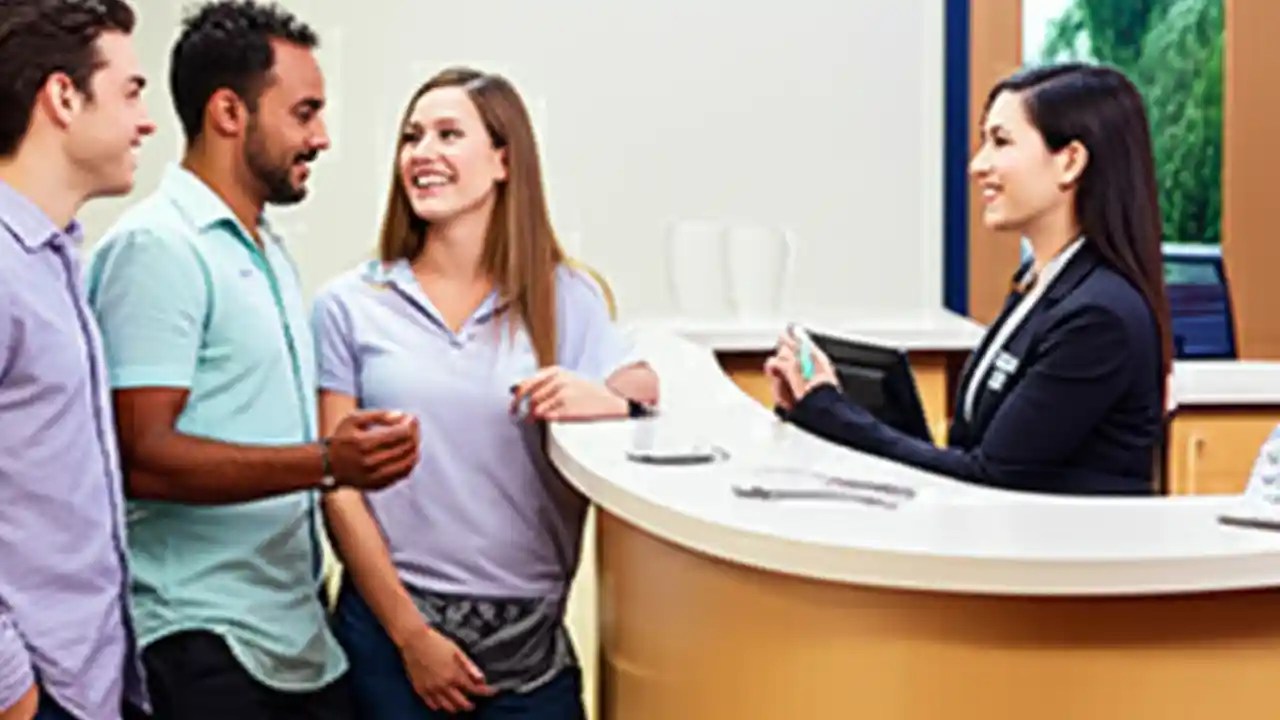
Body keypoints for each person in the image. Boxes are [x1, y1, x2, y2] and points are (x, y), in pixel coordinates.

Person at [84, 3, 419, 719]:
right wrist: (329, 462)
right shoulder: (159, 250)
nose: (321, 136)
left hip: (294, 637)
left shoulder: (264, 246)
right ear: (229, 112)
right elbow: (142, 457)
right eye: (304, 113)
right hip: (202, 641)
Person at [312, 67, 660, 718]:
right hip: (389, 639)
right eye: (412, 137)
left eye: (449, 134)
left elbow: (643, 384)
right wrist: (412, 637)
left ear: (504, 160)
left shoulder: (566, 298)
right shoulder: (349, 306)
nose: (423, 153)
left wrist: (609, 400)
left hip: (530, 654)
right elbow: (339, 487)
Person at [767, 63, 1170, 496]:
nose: (978, 165)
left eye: (1001, 141)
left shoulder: (1098, 315)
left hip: (1063, 557)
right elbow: (974, 453)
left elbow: (989, 476)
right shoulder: (1040, 284)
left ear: (1069, 161)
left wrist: (831, 411)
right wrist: (828, 407)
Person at [0, 1, 156, 718]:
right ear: (63, 96)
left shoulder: (57, 256)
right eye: (130, 92)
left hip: (88, 678)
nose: (145, 122)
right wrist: (15, 691)